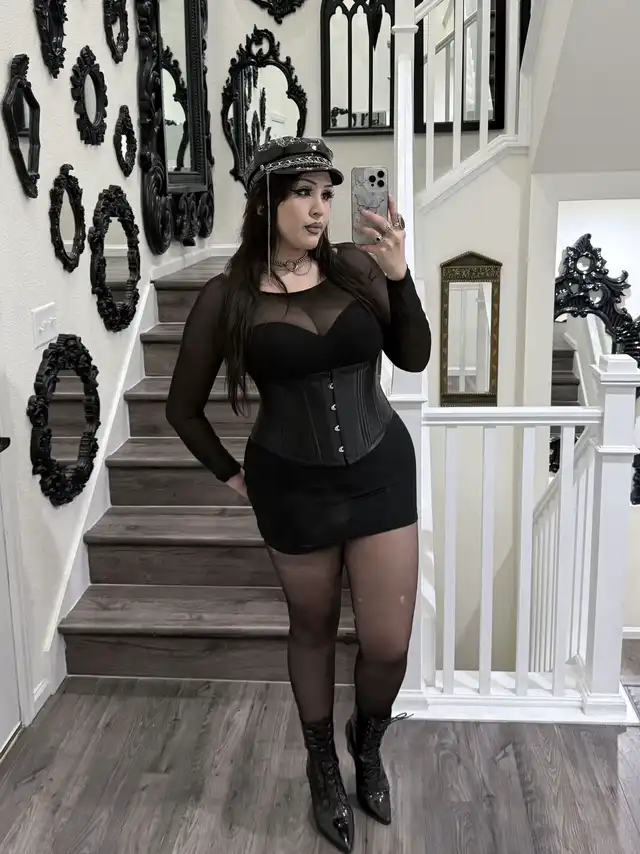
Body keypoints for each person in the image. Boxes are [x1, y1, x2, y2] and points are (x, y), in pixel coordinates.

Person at [166, 137, 431, 852]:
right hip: (291, 484)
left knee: (388, 644)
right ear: (266, 202)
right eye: (303, 193)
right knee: (311, 627)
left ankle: (366, 745)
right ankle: (322, 766)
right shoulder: (227, 298)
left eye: (327, 193)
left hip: (380, 470)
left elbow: (413, 356)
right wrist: (233, 476)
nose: (320, 208)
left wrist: (399, 274)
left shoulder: (355, 267)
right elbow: (182, 409)